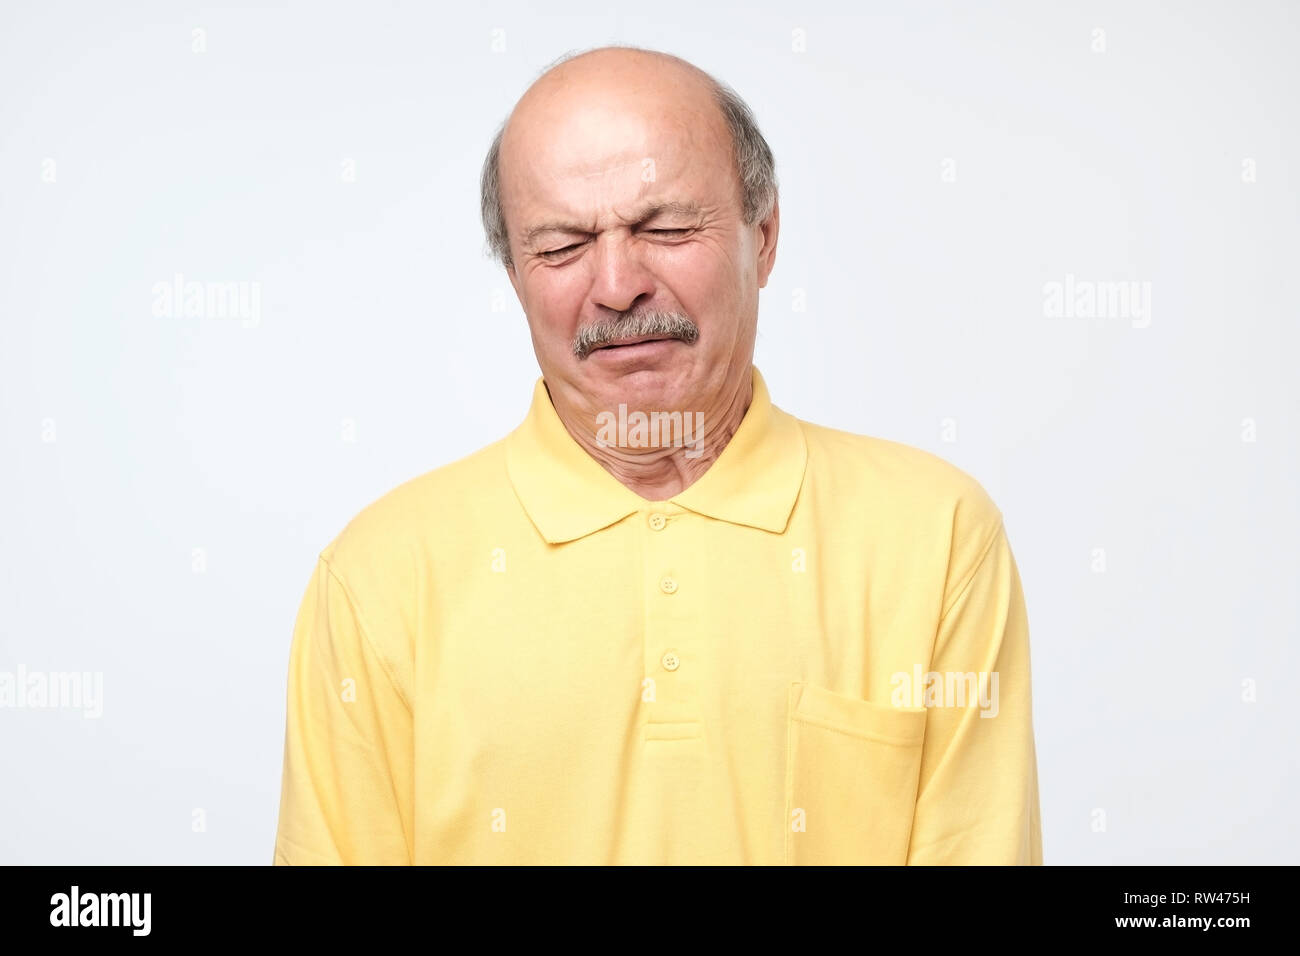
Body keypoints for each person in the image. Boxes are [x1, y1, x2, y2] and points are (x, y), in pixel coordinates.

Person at [272, 44, 1042, 865]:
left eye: (667, 228)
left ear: (766, 235)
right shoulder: (378, 578)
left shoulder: (936, 538)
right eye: (562, 246)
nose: (616, 285)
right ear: (514, 275)